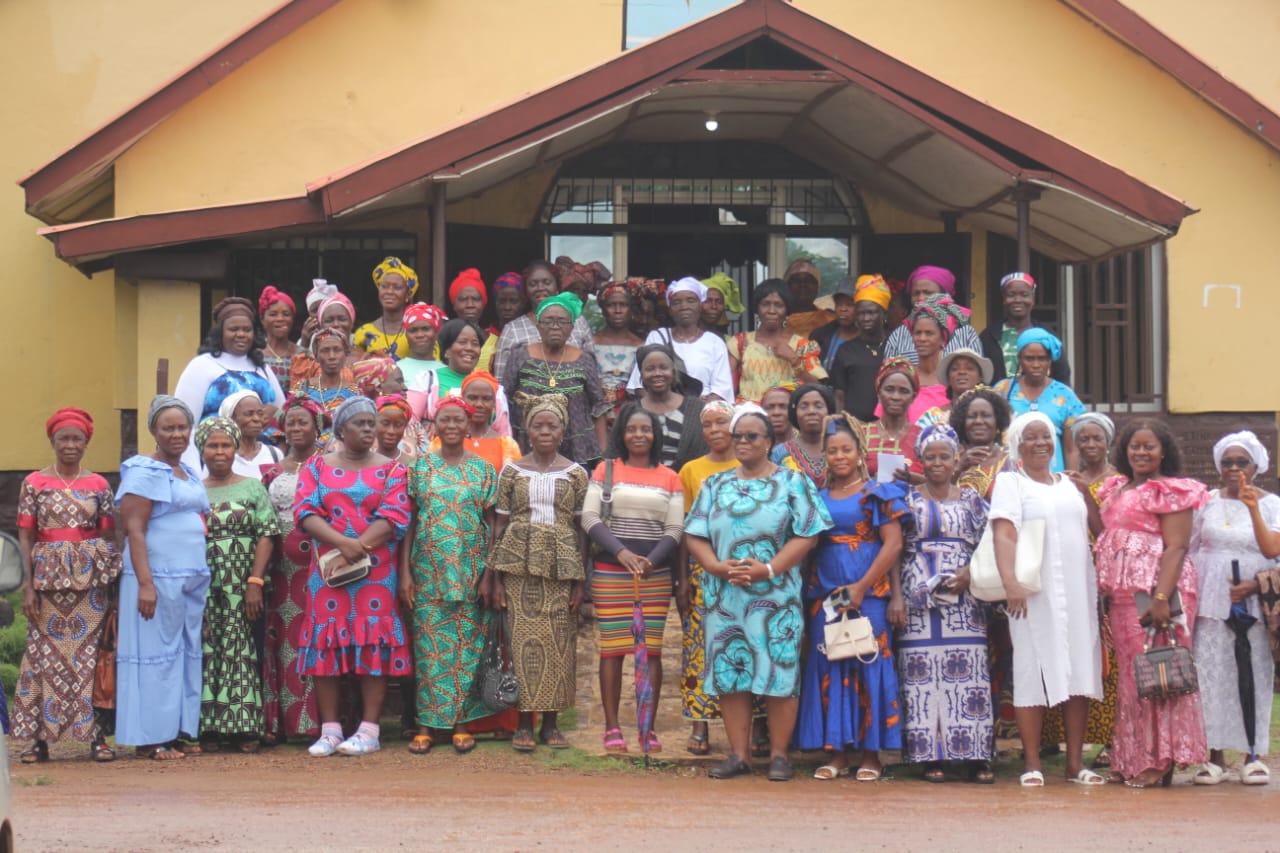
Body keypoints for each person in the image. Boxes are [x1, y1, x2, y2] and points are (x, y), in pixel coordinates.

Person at [684, 403, 832, 781]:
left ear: (769, 442)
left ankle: (780, 756)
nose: (743, 442)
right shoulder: (715, 485)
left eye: (751, 436)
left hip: (777, 596)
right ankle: (739, 755)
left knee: (779, 671)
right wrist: (715, 566)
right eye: (738, 436)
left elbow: (809, 534)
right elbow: (694, 533)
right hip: (726, 596)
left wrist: (770, 568)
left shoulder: (793, 482)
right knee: (731, 674)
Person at [989, 412, 1104, 787]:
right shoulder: (1011, 482)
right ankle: (1033, 764)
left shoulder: (1070, 483)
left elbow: (1098, 531)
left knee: (1079, 670)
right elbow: (1004, 533)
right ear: (1017, 445)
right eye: (1031, 437)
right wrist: (1011, 583)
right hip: (1031, 594)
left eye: (1045, 436)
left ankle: (1074, 765)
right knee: (1031, 668)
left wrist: (1085, 492)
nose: (1040, 443)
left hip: (1077, 591)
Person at [295, 396, 413, 757]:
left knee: (372, 641)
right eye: (359, 423)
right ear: (341, 429)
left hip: (376, 572)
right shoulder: (316, 467)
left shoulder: (393, 470)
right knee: (326, 641)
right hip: (329, 571)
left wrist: (358, 546)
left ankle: (369, 730)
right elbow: (305, 511)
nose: (367, 429)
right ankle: (330, 731)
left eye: (370, 423)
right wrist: (341, 544)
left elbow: (395, 515)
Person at [1094, 419, 1208, 787]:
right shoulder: (1117, 487)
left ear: (1163, 451)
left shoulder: (1171, 490)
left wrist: (1161, 598)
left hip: (1159, 591)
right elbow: (1109, 534)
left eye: (1149, 446)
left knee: (1162, 671)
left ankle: (1161, 759)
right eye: (1135, 446)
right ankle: (1132, 758)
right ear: (1124, 449)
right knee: (1135, 676)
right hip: (1124, 594)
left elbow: (1177, 546)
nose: (1141, 452)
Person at [795, 414, 906, 782]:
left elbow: (893, 544)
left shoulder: (877, 492)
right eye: (832, 451)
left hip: (869, 594)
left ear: (860, 452)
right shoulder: (818, 497)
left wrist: (861, 588)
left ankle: (871, 754)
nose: (839, 456)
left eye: (846, 449)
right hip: (826, 596)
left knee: (867, 663)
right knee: (830, 665)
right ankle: (837, 752)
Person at [14, 408, 120, 764]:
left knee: (89, 659)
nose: (71, 445)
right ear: (53, 441)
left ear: (87, 443)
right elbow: (25, 535)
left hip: (90, 586)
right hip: (47, 584)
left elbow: (108, 536)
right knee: (43, 657)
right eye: (64, 439)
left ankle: (96, 738)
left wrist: (112, 584)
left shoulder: (100, 485)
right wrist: (28, 586)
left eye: (78, 439)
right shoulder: (34, 483)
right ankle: (39, 740)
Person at [486, 394, 589, 753]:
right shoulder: (512, 471)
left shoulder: (576, 474)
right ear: (527, 430)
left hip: (561, 566)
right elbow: (499, 524)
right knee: (522, 643)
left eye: (552, 425)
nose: (545, 431)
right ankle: (524, 723)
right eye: (538, 425)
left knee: (559, 643)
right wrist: (494, 578)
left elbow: (582, 530)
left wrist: (581, 581)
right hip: (518, 564)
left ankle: (551, 723)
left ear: (563, 430)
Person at [582, 404, 685, 753]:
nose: (638, 435)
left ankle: (647, 728)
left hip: (654, 574)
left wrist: (651, 560)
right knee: (613, 649)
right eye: (631, 429)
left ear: (655, 436)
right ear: (621, 434)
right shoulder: (606, 469)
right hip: (611, 571)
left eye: (645, 429)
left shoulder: (670, 477)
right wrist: (622, 553)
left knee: (651, 650)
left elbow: (675, 529)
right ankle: (612, 727)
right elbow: (590, 518)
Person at [400, 396, 498, 756]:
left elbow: (494, 525)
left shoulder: (483, 470)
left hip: (471, 570)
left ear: (468, 424)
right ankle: (426, 727)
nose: (452, 425)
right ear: (435, 426)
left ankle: (460, 724)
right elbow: (410, 522)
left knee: (466, 648)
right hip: (427, 571)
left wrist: (489, 575)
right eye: (446, 420)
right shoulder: (420, 468)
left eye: (459, 420)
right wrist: (405, 573)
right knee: (428, 649)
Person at [897, 424, 994, 783]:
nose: (937, 463)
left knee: (969, 674)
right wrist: (897, 595)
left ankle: (975, 756)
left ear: (956, 461)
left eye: (944, 457)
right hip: (917, 599)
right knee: (920, 676)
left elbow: (989, 543)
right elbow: (893, 548)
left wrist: (971, 572)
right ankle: (929, 755)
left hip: (964, 599)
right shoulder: (906, 500)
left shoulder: (971, 500)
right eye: (930, 457)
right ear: (920, 461)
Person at [115, 396, 210, 760]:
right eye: (168, 428)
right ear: (154, 431)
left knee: (182, 653)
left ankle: (176, 730)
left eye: (182, 427)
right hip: (155, 578)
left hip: (188, 579)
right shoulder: (144, 472)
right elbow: (135, 530)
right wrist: (146, 584)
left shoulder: (188, 470)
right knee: (154, 654)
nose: (176, 434)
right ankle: (150, 737)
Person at [1189, 431, 1276, 786]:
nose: (1234, 468)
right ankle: (1214, 757)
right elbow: (1191, 548)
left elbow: (1273, 550)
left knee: (1253, 672)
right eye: (1227, 462)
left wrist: (1255, 585)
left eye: (1242, 462)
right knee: (1211, 675)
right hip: (1211, 599)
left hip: (1254, 601)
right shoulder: (1205, 502)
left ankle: (1253, 755)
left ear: (1256, 466)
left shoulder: (1272, 504)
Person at [195, 416, 279, 753]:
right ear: (201, 450)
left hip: (243, 583)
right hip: (205, 582)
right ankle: (209, 728)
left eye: (226, 445)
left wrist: (254, 582)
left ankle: (244, 727)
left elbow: (267, 534)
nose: (219, 452)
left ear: (235, 449)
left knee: (242, 649)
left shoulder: (252, 487)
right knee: (208, 649)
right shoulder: (194, 489)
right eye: (212, 446)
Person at [1041, 412, 1119, 766]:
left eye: (1096, 438)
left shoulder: (1119, 482)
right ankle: (1055, 737)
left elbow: (1110, 534)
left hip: (1106, 573)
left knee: (1108, 660)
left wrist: (1087, 497)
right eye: (1083, 439)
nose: (1089, 445)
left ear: (1108, 442)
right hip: (1066, 574)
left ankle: (1112, 739)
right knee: (1065, 650)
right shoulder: (1062, 480)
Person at [676, 401, 739, 754]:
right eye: (708, 424)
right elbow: (686, 529)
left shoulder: (749, 465)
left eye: (722, 422)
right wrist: (683, 580)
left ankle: (757, 725)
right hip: (703, 572)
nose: (715, 430)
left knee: (745, 644)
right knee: (699, 647)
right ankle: (699, 724)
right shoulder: (691, 470)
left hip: (744, 570)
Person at [262, 397, 325, 744]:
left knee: (317, 635)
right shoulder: (272, 472)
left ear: (318, 428)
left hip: (320, 561)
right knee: (286, 637)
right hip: (282, 569)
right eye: (291, 423)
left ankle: (321, 720)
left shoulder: (329, 465)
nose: (297, 428)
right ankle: (288, 721)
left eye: (304, 422)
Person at [174, 297, 284, 469]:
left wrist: (274, 413)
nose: (241, 334)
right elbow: (186, 424)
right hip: (217, 462)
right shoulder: (201, 366)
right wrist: (193, 470)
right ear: (220, 333)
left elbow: (283, 411)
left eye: (247, 330)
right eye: (233, 329)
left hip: (263, 459)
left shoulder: (261, 367)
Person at [503, 292, 608, 467]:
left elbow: (598, 406)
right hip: (527, 443)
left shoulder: (584, 359)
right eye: (548, 321)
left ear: (572, 327)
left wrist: (603, 453)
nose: (555, 326)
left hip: (576, 447)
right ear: (538, 325)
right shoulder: (520, 355)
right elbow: (505, 401)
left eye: (562, 321)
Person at [627, 277, 734, 402]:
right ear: (670, 310)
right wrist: (663, 407)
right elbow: (639, 385)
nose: (684, 306)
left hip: (703, 409)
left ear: (700, 306)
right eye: (677, 302)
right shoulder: (657, 337)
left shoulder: (714, 342)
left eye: (690, 301)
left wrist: (696, 409)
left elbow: (721, 389)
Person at [992, 328, 1085, 472]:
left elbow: (1071, 450)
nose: (1036, 365)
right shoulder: (1002, 390)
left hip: (1052, 476)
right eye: (1029, 359)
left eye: (1042, 359)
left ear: (1050, 360)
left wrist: (1070, 481)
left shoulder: (1065, 395)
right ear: (1019, 359)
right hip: (1011, 474)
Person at [877, 294, 972, 424]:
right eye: (918, 333)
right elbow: (885, 424)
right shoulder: (902, 378)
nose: (922, 338)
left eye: (929, 333)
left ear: (943, 339)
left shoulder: (954, 379)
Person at [493, 260, 595, 381]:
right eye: (533, 284)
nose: (540, 288)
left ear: (557, 286)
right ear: (526, 290)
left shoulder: (578, 322)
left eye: (547, 282)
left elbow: (592, 372)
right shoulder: (512, 330)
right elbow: (501, 381)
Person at [728, 279, 826, 404]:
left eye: (778, 305)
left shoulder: (802, 345)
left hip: (785, 413)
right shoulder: (740, 342)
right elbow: (726, 385)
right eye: (765, 304)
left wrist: (795, 360)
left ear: (787, 309)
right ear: (757, 307)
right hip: (749, 413)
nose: (771, 311)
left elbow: (817, 388)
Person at [979, 272, 1070, 383]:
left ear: (1033, 299)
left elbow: (1062, 374)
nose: (1018, 300)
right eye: (1011, 295)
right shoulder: (989, 336)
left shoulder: (1046, 335)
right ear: (1004, 299)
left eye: (1024, 295)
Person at [882, 265, 982, 363]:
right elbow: (888, 371)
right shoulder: (899, 335)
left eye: (928, 293)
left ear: (944, 295)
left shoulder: (966, 334)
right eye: (916, 293)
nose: (921, 298)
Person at [634, 344, 708, 471]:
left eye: (663, 367)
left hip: (690, 480)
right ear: (641, 374)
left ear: (673, 371)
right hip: (641, 481)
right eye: (650, 369)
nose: (657, 373)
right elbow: (615, 456)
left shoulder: (697, 409)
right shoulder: (631, 412)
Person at [831, 274, 892, 422]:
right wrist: (840, 425)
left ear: (883, 313)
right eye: (861, 313)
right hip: (854, 427)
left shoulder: (896, 345)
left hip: (889, 426)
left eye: (871, 313)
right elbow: (839, 395)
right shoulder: (846, 350)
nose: (865, 318)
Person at [292, 328, 360, 447]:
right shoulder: (303, 388)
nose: (332, 356)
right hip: (307, 452)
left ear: (345, 354)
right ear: (316, 356)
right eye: (325, 351)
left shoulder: (354, 393)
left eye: (337, 350)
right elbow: (285, 421)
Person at [592, 281, 644, 426]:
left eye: (623, 305)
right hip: (596, 416)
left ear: (631, 309)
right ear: (603, 309)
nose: (618, 310)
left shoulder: (641, 346)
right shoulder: (591, 343)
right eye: (611, 305)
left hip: (631, 417)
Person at [863, 357, 923, 481]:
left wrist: (912, 478)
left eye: (903, 391)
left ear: (913, 397)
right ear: (879, 393)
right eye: (889, 390)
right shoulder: (861, 434)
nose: (896, 397)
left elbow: (935, 483)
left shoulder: (921, 438)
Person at [951, 387, 1015, 500]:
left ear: (997, 421)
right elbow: (936, 496)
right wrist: (959, 468)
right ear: (962, 422)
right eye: (972, 416)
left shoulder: (1011, 462)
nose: (979, 421)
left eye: (986, 416)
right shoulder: (949, 459)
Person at [290, 291, 359, 389]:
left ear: (351, 322)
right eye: (329, 320)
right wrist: (304, 342)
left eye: (342, 319)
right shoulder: (312, 363)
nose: (336, 324)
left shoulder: (364, 357)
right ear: (320, 325)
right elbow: (296, 389)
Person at [770, 384, 835, 488]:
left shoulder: (841, 449)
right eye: (804, 407)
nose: (811, 411)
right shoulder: (780, 453)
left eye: (818, 406)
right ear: (794, 413)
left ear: (829, 411)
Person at [354, 256, 419, 360]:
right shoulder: (364, 332)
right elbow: (354, 366)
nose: (389, 292)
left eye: (397, 287)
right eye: (384, 286)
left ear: (407, 295)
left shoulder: (418, 331)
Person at [915, 347, 992, 429]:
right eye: (955, 369)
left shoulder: (991, 413)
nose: (962, 372)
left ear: (980, 377)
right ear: (948, 378)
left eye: (969, 368)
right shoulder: (933, 416)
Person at [219, 390, 280, 477]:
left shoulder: (274, 454)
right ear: (231, 419)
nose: (256, 419)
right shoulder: (221, 457)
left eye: (260, 414)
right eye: (249, 414)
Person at [480, 272, 527, 372]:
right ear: (495, 302)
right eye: (502, 301)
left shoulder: (530, 336)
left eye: (513, 301)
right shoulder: (484, 336)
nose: (507, 307)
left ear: (523, 303)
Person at [396, 302, 448, 389]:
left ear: (436, 333)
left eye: (425, 329)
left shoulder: (446, 372)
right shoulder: (395, 369)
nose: (420, 335)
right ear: (406, 335)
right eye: (413, 330)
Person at [259, 286, 298, 391]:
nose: (280, 319)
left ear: (292, 319)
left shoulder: (304, 354)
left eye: (286, 314)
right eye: (273, 314)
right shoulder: (254, 354)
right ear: (262, 320)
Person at [780, 259, 830, 340]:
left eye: (809, 280)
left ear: (818, 286)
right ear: (786, 286)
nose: (802, 284)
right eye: (796, 280)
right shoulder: (775, 319)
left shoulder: (830, 320)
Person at [701, 272, 742, 336]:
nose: (714, 306)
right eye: (707, 301)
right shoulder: (687, 338)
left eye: (719, 302)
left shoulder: (728, 341)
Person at [761, 383, 798, 447]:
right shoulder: (753, 447)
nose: (776, 412)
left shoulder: (808, 447)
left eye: (783, 407)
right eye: (770, 407)